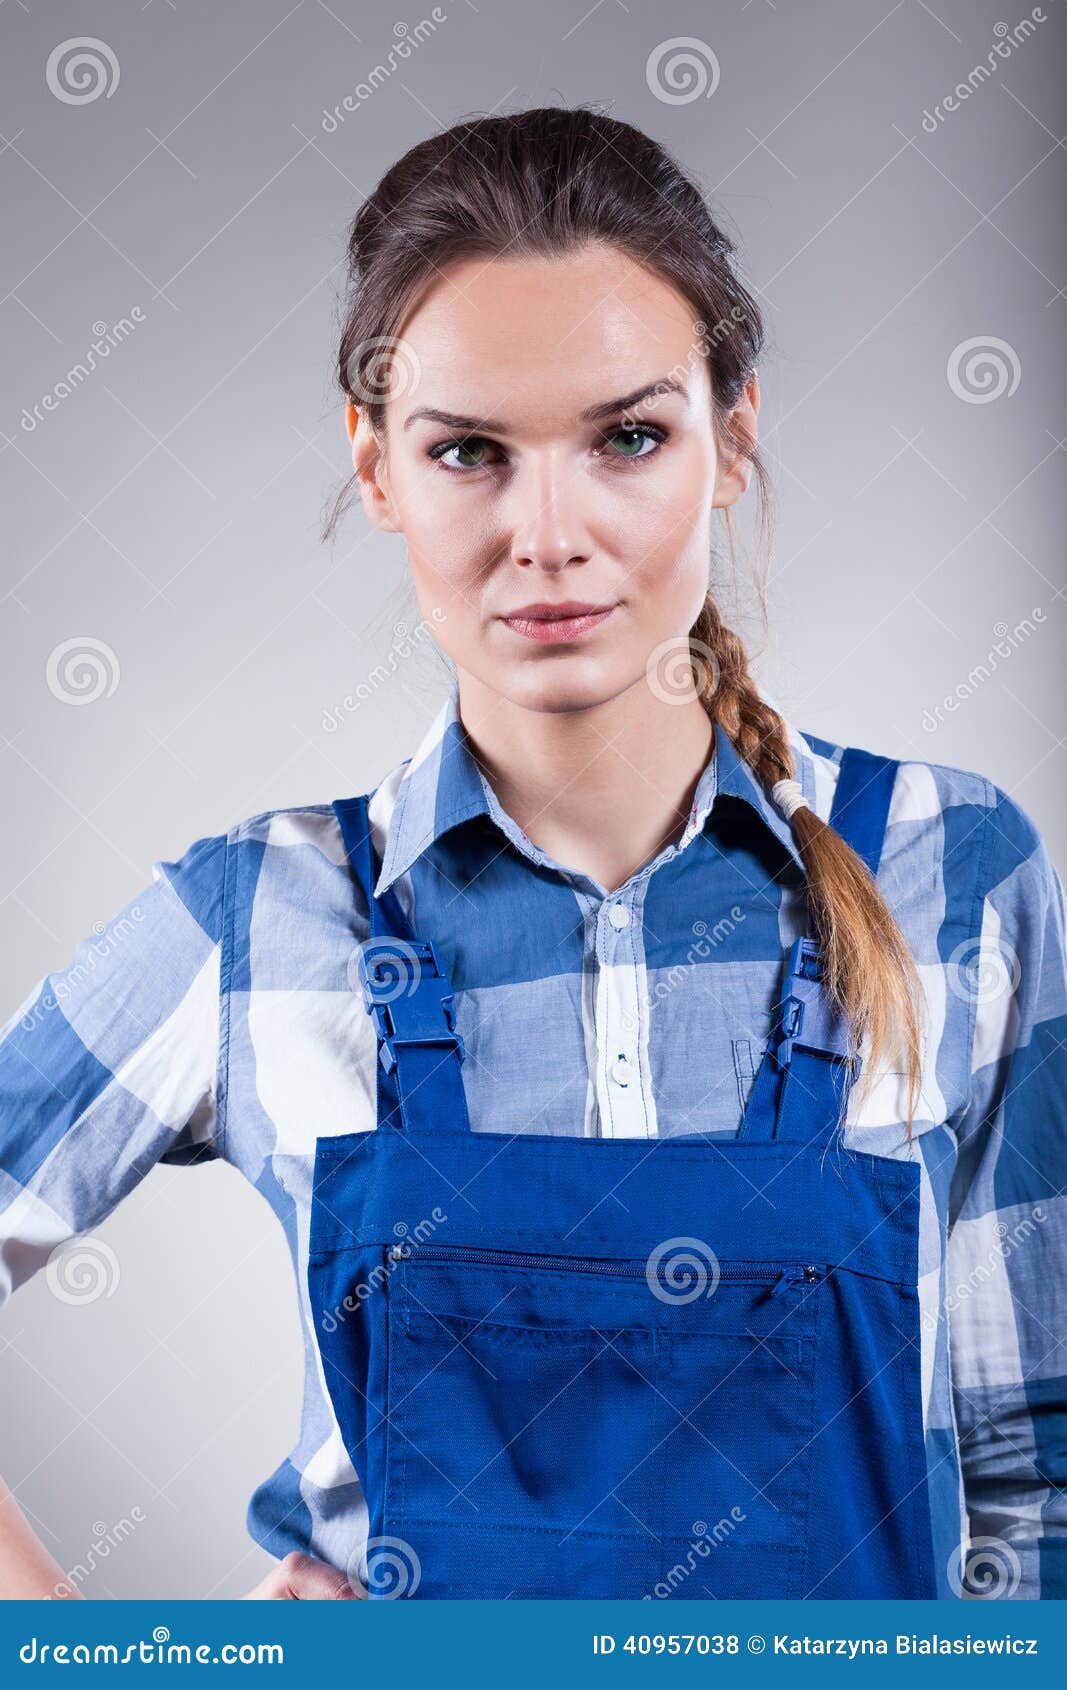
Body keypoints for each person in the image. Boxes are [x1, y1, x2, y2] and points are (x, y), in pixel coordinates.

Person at [1, 106, 1064, 1601]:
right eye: (470, 453)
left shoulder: (954, 870)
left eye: (628, 437)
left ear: (731, 438)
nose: (547, 532)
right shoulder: (265, 916)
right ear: (378, 470)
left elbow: (1039, 1467)